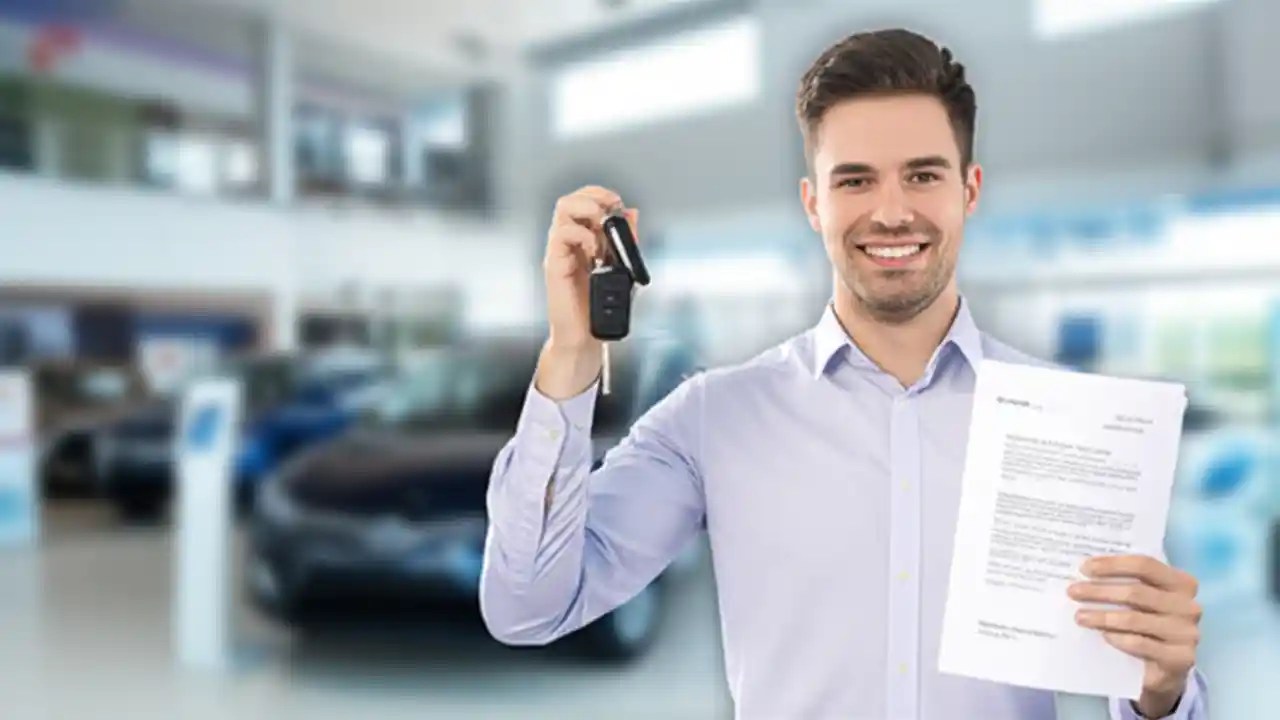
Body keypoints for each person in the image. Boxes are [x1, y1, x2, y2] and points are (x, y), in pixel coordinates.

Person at [480, 27, 1208, 719]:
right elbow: (526, 607)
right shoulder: (713, 418)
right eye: (855, 180)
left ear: (969, 190)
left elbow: (1142, 675)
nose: (891, 212)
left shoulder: (1072, 423)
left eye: (922, 175)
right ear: (813, 203)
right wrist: (571, 353)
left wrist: (1163, 689)